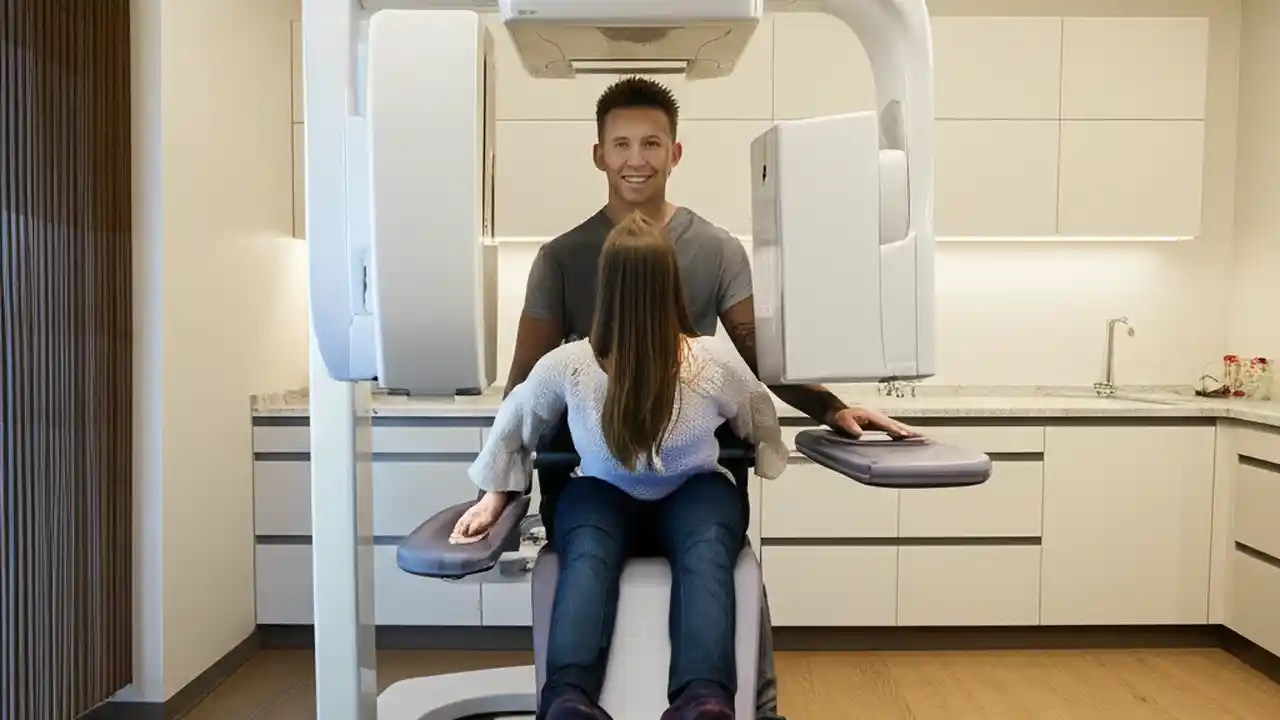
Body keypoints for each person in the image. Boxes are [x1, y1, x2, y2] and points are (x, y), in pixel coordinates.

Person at [504, 76, 919, 719]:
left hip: (691, 474)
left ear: (675, 153)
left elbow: (756, 362)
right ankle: (570, 699)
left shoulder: (717, 249)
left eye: (650, 143)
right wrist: (501, 489)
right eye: (621, 145)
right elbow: (526, 388)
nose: (635, 159)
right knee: (593, 554)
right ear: (599, 154)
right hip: (593, 475)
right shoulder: (560, 258)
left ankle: (728, 703)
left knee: (720, 560)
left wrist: (832, 407)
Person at [455, 211, 791, 720]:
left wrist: (495, 493)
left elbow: (514, 423)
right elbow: (760, 420)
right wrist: (765, 454)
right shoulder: (591, 364)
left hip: (682, 492)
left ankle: (579, 696)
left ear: (606, 287)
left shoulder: (586, 362)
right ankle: (694, 698)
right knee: (669, 551)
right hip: (618, 494)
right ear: (670, 287)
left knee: (604, 552)